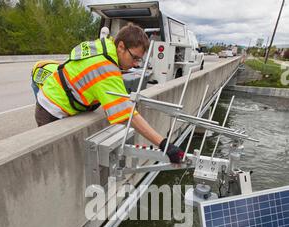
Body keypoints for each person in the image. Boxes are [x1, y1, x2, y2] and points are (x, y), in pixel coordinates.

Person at [35, 23, 184, 163]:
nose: (136, 64)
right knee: (59, 161)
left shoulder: (104, 45)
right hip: (52, 110)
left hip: (52, 93)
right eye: (135, 58)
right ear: (121, 47)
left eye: (140, 60)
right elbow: (128, 115)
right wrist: (165, 145)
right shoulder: (105, 67)